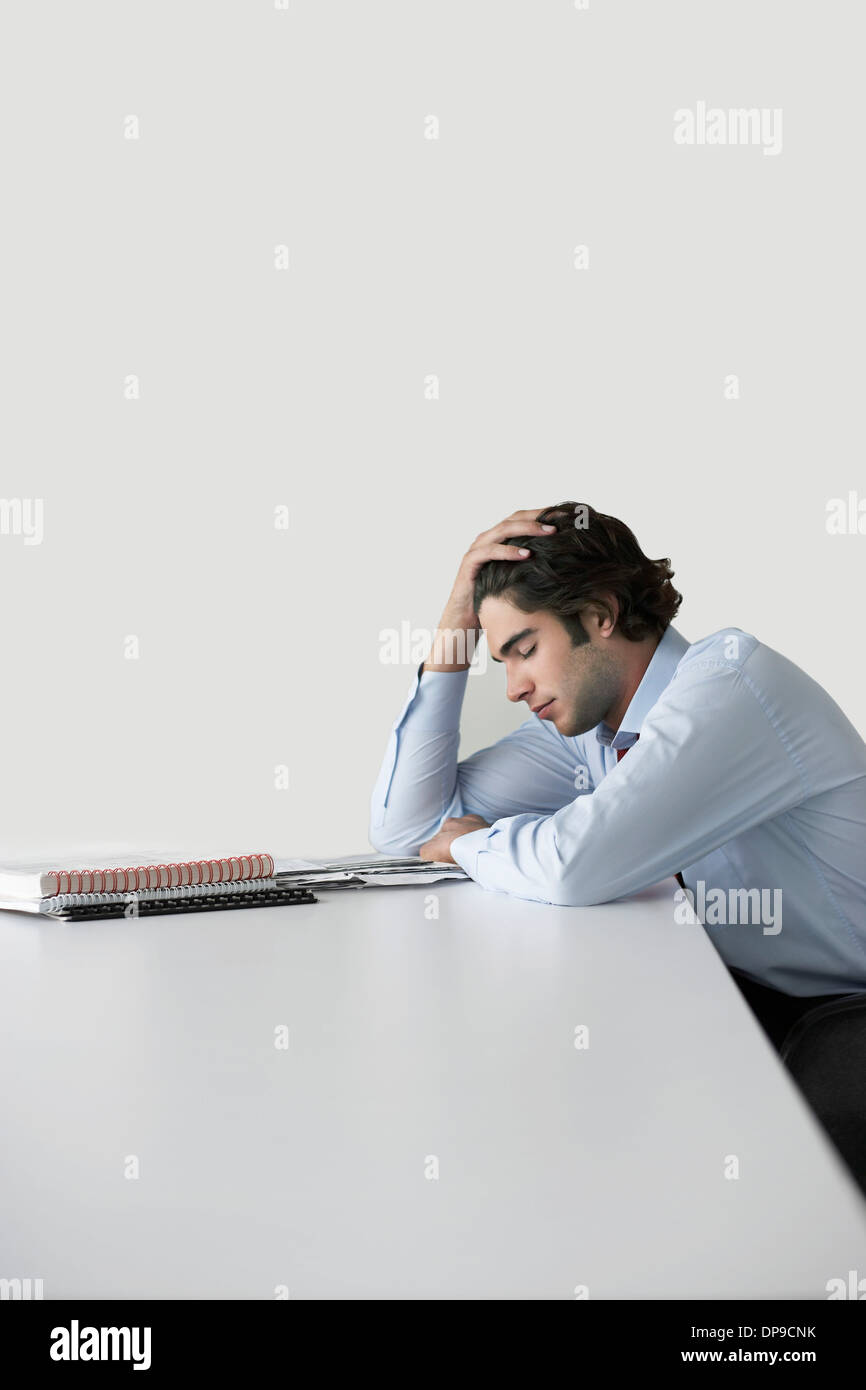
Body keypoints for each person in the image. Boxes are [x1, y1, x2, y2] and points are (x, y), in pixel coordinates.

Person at [368, 502, 866, 1048]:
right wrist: (454, 626)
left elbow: (575, 866)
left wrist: (473, 844)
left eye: (526, 650)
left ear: (600, 614)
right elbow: (409, 833)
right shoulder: (589, 731)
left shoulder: (729, 687)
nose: (513, 688)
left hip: (842, 1023)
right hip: (738, 998)